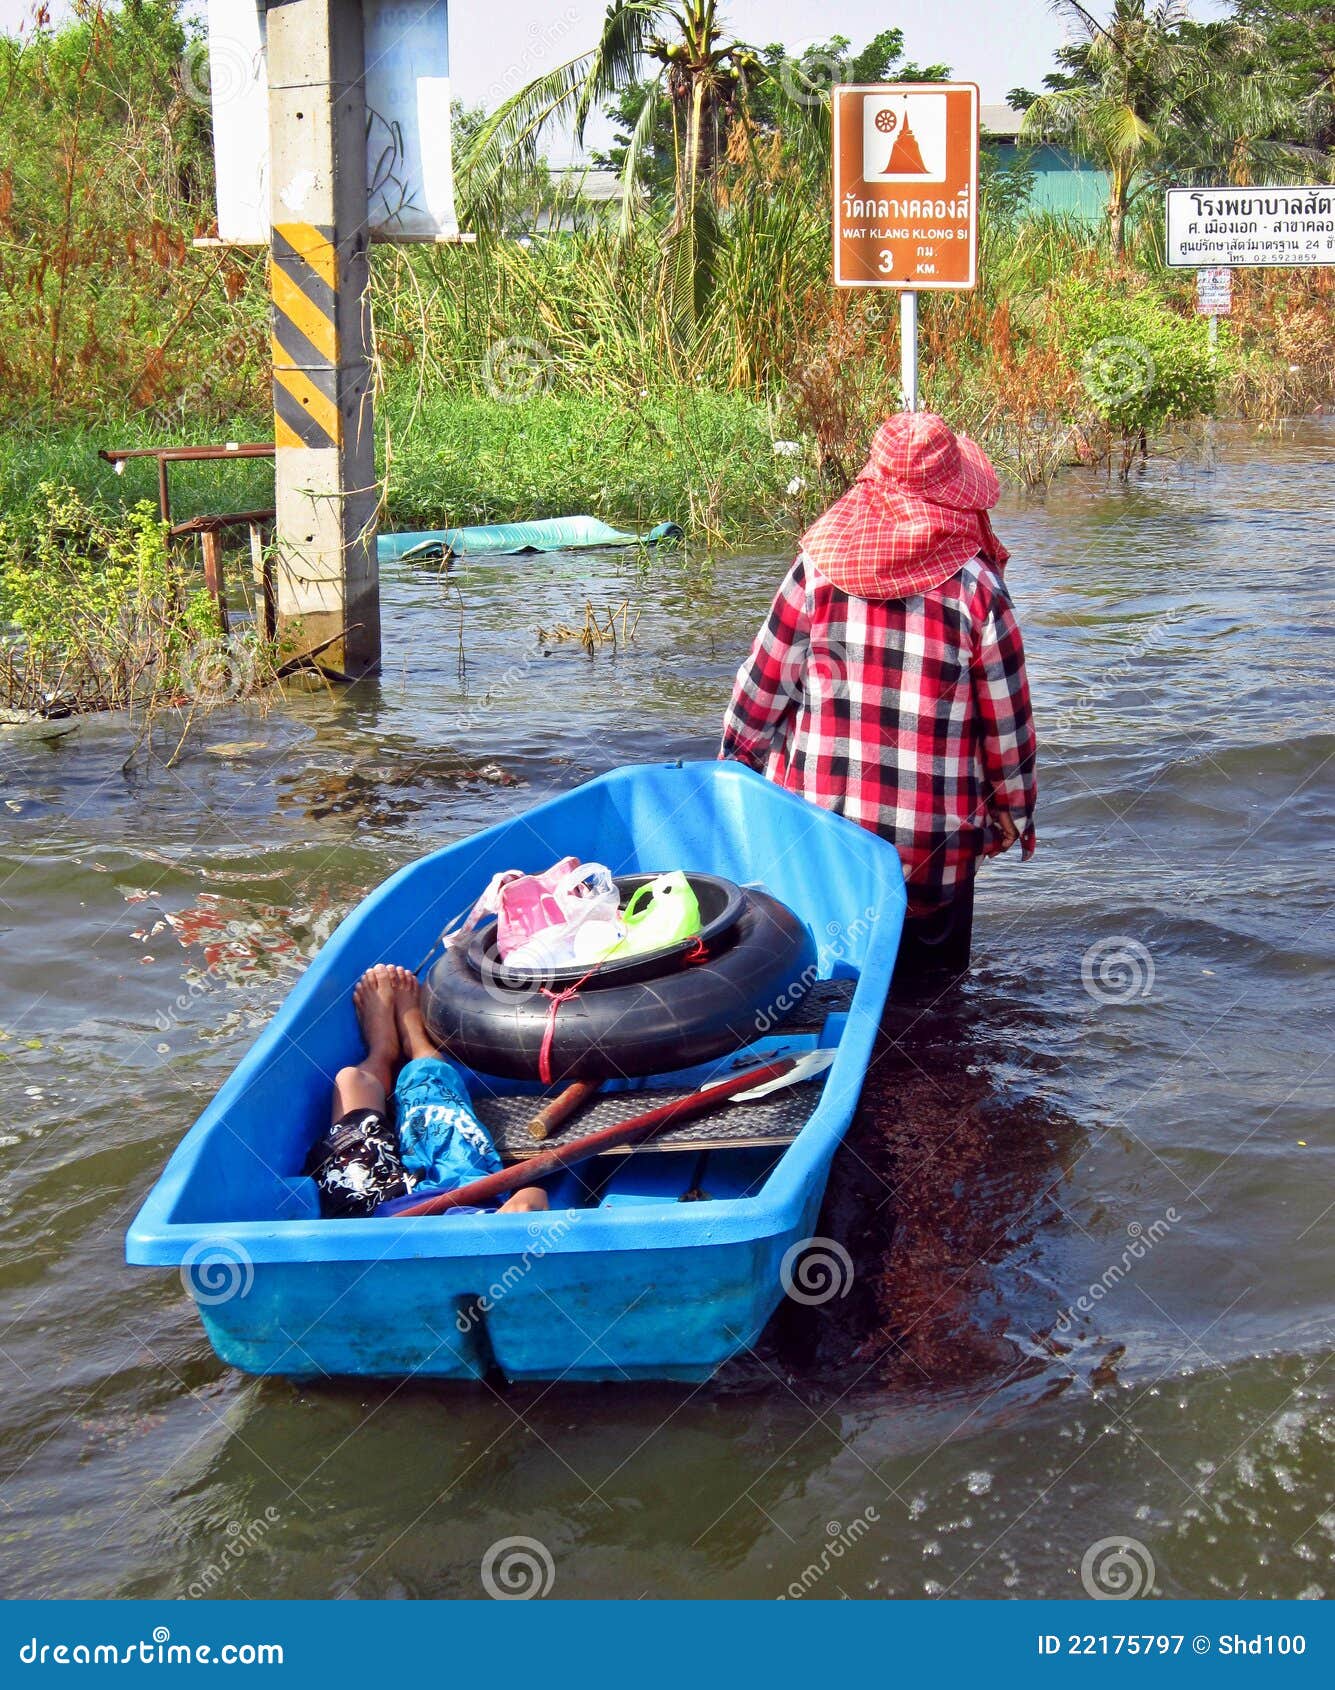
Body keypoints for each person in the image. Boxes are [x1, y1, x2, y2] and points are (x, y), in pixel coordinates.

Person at [720, 410, 1037, 980]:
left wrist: (734, 770)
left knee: (832, 989)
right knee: (935, 1011)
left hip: (823, 848)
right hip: (931, 855)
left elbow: (758, 696)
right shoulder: (979, 590)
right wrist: (1013, 813)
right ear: (954, 496)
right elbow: (1007, 729)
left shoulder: (815, 574)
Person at [305, 964, 548, 1217]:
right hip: (456, 1196)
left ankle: (383, 1051)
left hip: (372, 1215)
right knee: (432, 1098)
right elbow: (534, 1197)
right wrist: (521, 1206)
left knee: (351, 1082)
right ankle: (416, 1043)